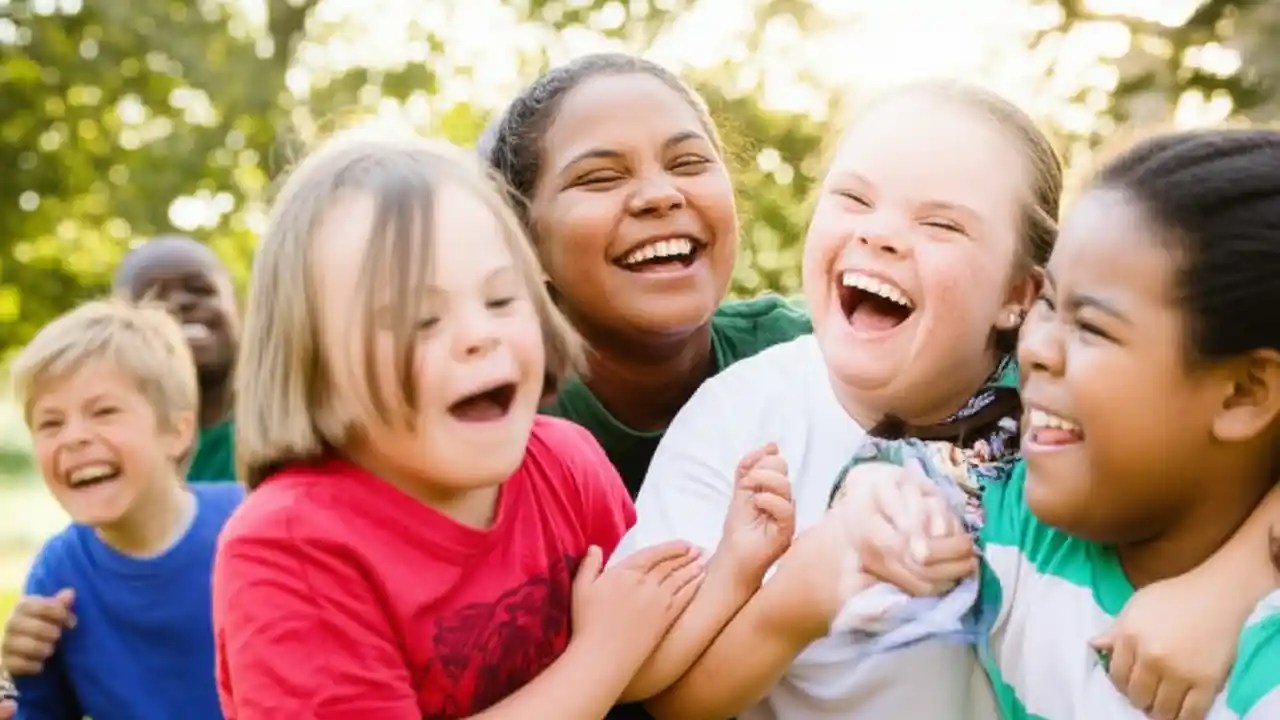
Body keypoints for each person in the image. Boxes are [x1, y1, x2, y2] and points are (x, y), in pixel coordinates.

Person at [618, 82, 1280, 719]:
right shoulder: (754, 416)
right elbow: (664, 687)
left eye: (939, 223)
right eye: (851, 197)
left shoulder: (1054, 424)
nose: (880, 235)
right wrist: (812, 577)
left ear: (1018, 294)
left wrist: (1229, 585)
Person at [212, 130, 787, 718]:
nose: (479, 335)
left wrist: (733, 567)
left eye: (500, 300)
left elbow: (636, 664)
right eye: (422, 318)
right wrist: (598, 655)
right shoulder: (291, 547)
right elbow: (608, 661)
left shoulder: (566, 463)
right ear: (315, 360)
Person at [845, 128, 1280, 719]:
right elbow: (903, 470)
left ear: (1244, 393)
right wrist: (875, 494)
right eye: (1047, 303)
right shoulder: (1015, 520)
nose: (1037, 348)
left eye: (1093, 328)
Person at [485, 52, 812, 496]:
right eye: (600, 177)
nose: (661, 195)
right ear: (524, 243)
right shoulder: (489, 420)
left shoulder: (814, 359)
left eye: (688, 163)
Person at [3, 299, 243, 720]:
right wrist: (12, 676)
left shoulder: (246, 526)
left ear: (177, 432)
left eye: (104, 412)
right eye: (51, 423)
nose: (74, 437)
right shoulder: (59, 576)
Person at [114, 235, 240, 483]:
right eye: (153, 297)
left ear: (238, 308)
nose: (180, 302)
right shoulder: (113, 446)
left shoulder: (289, 429)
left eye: (201, 290)